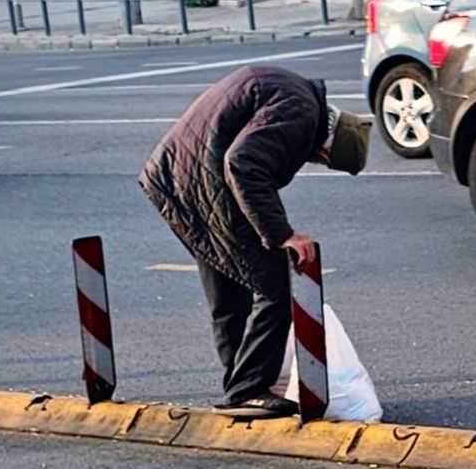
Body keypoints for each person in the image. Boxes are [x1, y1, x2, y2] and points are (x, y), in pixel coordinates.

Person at [139, 66, 371, 418]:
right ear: (326, 153)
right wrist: (282, 235)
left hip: (175, 177)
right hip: (205, 182)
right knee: (274, 286)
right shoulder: (301, 114)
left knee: (229, 287)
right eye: (320, 162)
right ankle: (248, 389)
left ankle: (240, 385)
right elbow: (243, 164)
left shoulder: (299, 95)